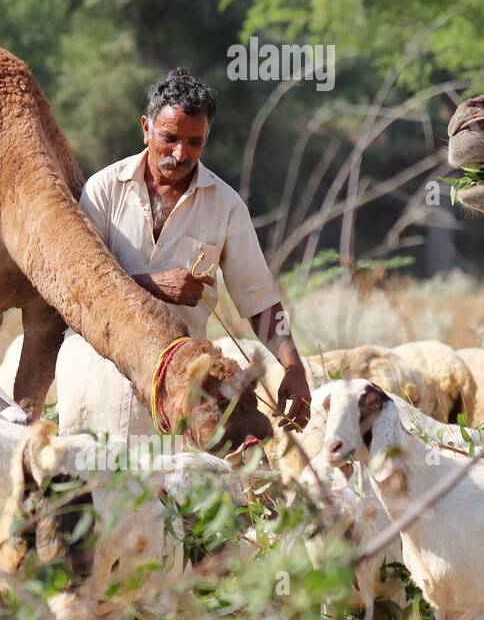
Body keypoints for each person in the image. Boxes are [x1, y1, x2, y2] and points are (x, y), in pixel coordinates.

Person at [76, 68, 311, 431]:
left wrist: (293, 368)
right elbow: (79, 283)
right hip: (97, 370)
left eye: (195, 142)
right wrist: (155, 283)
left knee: (176, 480)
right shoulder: (103, 189)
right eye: (169, 138)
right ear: (145, 129)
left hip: (180, 385)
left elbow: (259, 300)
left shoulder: (226, 205)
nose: (180, 153)